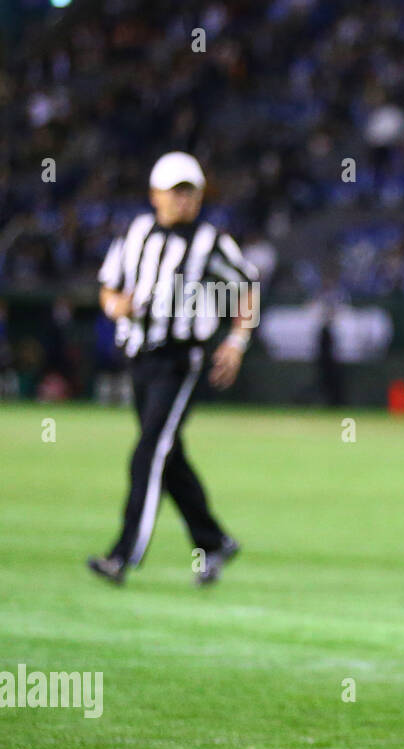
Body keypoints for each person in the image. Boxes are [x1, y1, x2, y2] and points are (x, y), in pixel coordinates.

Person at [86, 152, 258, 587]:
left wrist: (237, 342)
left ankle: (123, 556)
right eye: (176, 191)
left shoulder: (210, 241)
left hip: (181, 359)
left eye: (191, 191)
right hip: (139, 355)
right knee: (168, 455)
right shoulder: (137, 232)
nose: (184, 200)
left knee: (149, 452)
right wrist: (114, 305)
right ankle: (213, 540)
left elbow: (246, 287)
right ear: (155, 195)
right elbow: (109, 285)